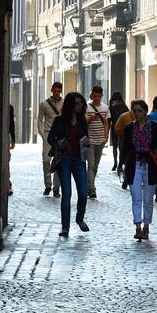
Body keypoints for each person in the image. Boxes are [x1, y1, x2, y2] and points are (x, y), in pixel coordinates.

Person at [119, 98, 157, 241]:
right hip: (134, 165)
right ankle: (137, 227)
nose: (137, 114)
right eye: (134, 111)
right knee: (136, 198)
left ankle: (146, 226)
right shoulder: (129, 128)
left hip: (150, 166)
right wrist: (120, 164)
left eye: (140, 111)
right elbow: (124, 148)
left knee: (148, 199)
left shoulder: (154, 126)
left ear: (146, 112)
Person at [47, 91, 90, 238]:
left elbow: (86, 139)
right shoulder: (59, 120)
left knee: (83, 192)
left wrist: (86, 146)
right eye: (77, 103)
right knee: (67, 193)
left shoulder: (83, 121)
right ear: (70, 105)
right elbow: (50, 138)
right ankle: (65, 227)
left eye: (81, 103)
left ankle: (80, 218)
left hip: (79, 160)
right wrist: (58, 142)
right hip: (64, 159)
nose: (80, 106)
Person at [36, 81, 63, 197]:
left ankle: (56, 188)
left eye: (58, 91)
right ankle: (47, 185)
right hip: (48, 135)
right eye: (55, 91)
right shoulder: (44, 104)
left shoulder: (64, 103)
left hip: (60, 136)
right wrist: (43, 134)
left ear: (61, 91)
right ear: (52, 90)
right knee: (46, 160)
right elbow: (39, 120)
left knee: (58, 161)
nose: (56, 93)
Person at [85, 85, 110, 199]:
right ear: (92, 95)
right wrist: (91, 118)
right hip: (90, 140)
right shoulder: (87, 107)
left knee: (95, 166)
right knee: (91, 165)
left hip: (100, 140)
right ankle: (92, 189)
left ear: (102, 96)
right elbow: (84, 122)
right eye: (95, 96)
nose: (97, 98)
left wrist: (106, 136)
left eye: (99, 96)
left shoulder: (105, 108)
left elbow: (106, 123)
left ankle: (88, 185)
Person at [114, 102, 134, 187]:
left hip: (124, 140)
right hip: (137, 142)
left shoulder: (123, 116)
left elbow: (117, 129)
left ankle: (126, 178)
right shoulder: (143, 116)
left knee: (125, 159)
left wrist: (123, 133)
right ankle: (129, 177)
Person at [108, 91, 128, 172]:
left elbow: (109, 119)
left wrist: (107, 129)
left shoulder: (111, 107)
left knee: (114, 146)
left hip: (114, 128)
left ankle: (115, 163)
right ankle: (120, 162)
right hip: (123, 129)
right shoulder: (124, 106)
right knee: (121, 146)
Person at [8, 104, 15, 197]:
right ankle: (8, 183)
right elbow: (12, 125)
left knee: (6, 161)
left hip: (5, 138)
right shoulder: (9, 107)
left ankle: (7, 183)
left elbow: (11, 125)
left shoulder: (9, 108)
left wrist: (13, 140)